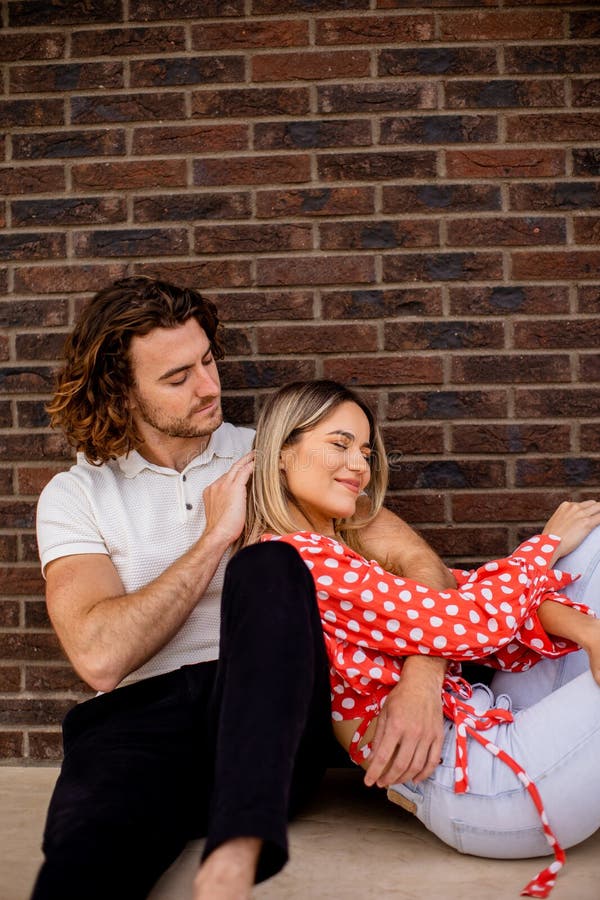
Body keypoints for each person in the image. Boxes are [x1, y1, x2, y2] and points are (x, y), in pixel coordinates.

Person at [32, 276, 460, 900]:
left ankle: (236, 856)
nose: (209, 387)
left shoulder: (276, 458)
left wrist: (423, 681)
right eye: (178, 378)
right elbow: (99, 657)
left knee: (269, 566)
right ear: (121, 393)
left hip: (272, 711)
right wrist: (212, 540)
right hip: (140, 725)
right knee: (85, 854)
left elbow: (423, 566)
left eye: (207, 360)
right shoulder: (77, 496)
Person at [243, 378, 600, 899]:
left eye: (364, 450)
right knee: (563, 549)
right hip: (483, 787)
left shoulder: (340, 550)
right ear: (280, 453)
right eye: (338, 444)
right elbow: (471, 622)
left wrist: (589, 630)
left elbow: (469, 594)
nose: (360, 465)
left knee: (589, 544)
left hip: (488, 722)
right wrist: (541, 548)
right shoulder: (297, 560)